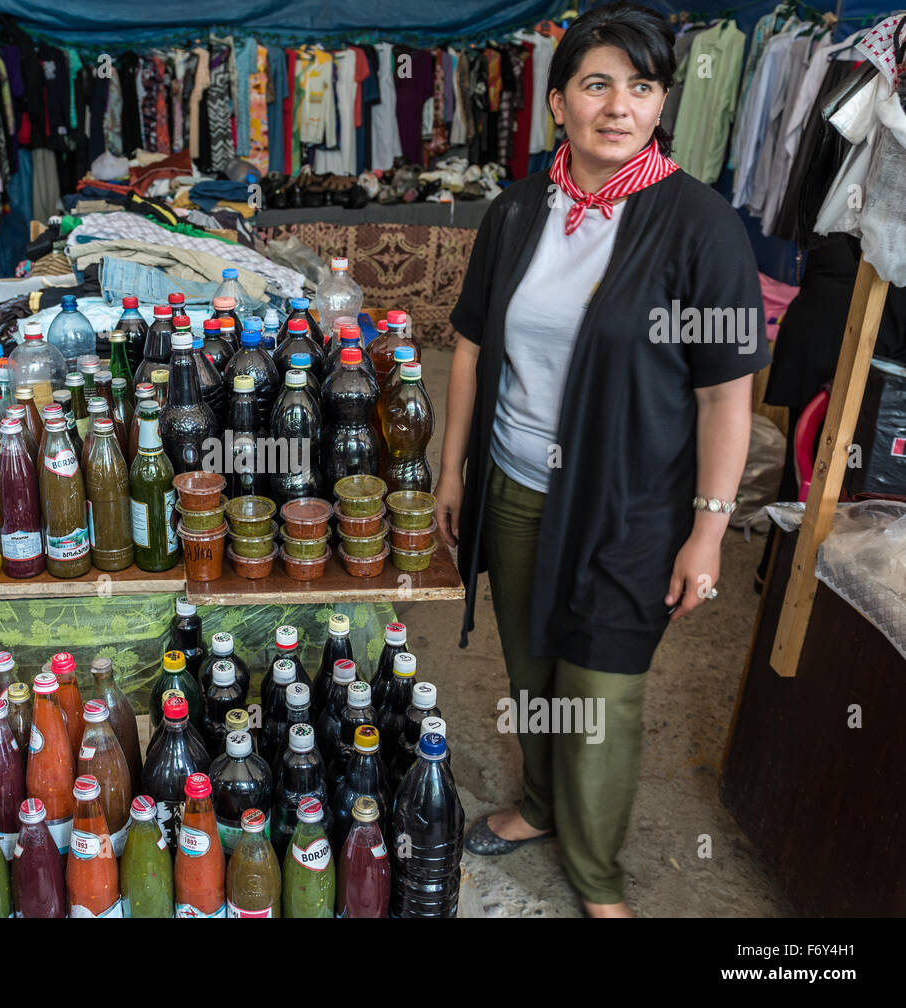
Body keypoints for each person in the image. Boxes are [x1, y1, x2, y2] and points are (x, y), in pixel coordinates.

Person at [434, 2, 768, 917]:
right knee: (533, 668)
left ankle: (597, 877)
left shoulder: (702, 226)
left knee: (603, 692)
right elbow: (468, 347)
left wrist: (708, 530)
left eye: (642, 86)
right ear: (557, 105)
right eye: (596, 84)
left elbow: (722, 395)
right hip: (514, 487)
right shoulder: (516, 212)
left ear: (663, 103)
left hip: (633, 508)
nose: (619, 106)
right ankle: (540, 804)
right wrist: (454, 470)